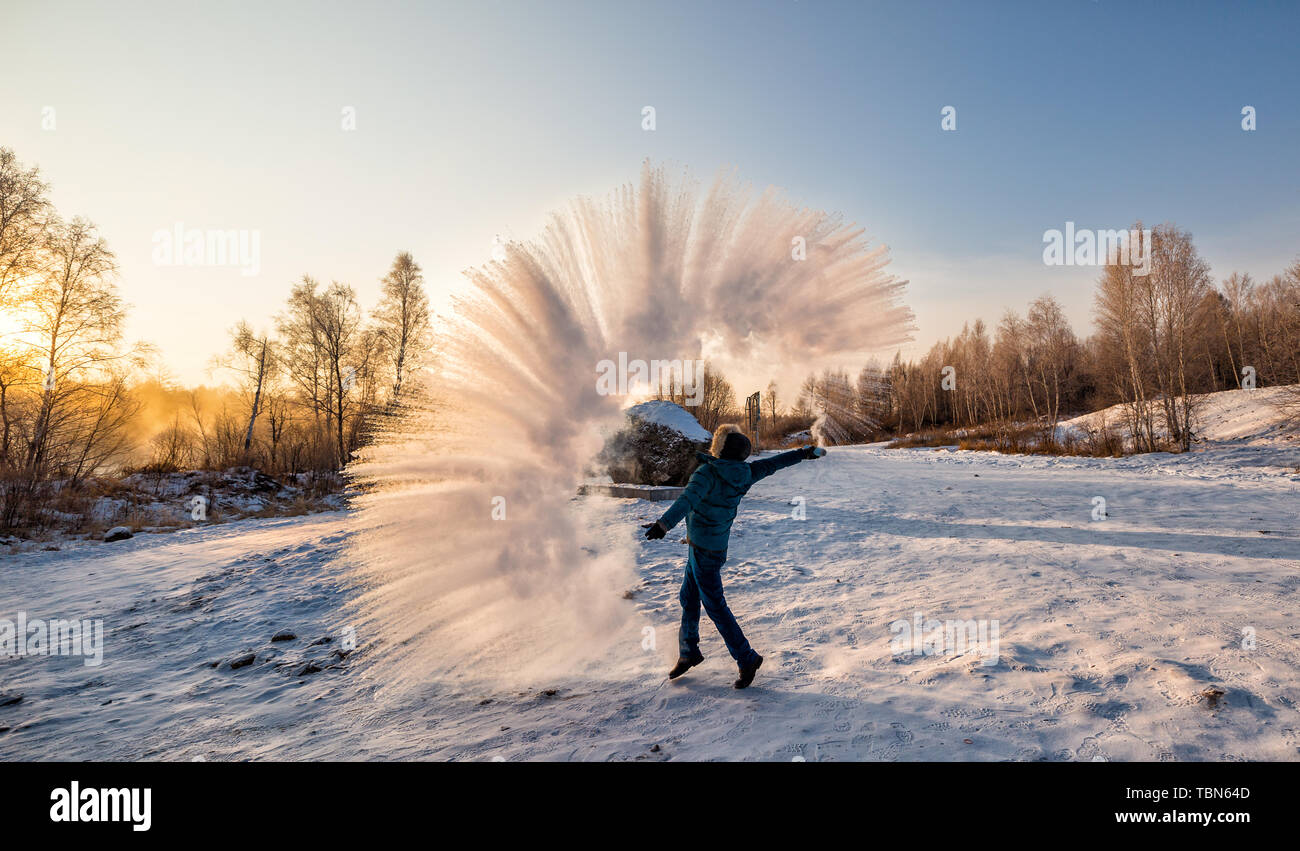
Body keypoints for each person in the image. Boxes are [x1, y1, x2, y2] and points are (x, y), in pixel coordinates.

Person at [643, 424, 822, 688]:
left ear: (719, 448)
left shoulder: (707, 473)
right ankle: (689, 651)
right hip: (709, 547)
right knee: (688, 598)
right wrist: (805, 453)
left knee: (715, 606)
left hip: (704, 551)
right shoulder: (747, 472)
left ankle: (746, 657)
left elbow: (687, 500)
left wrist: (663, 524)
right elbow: (776, 463)